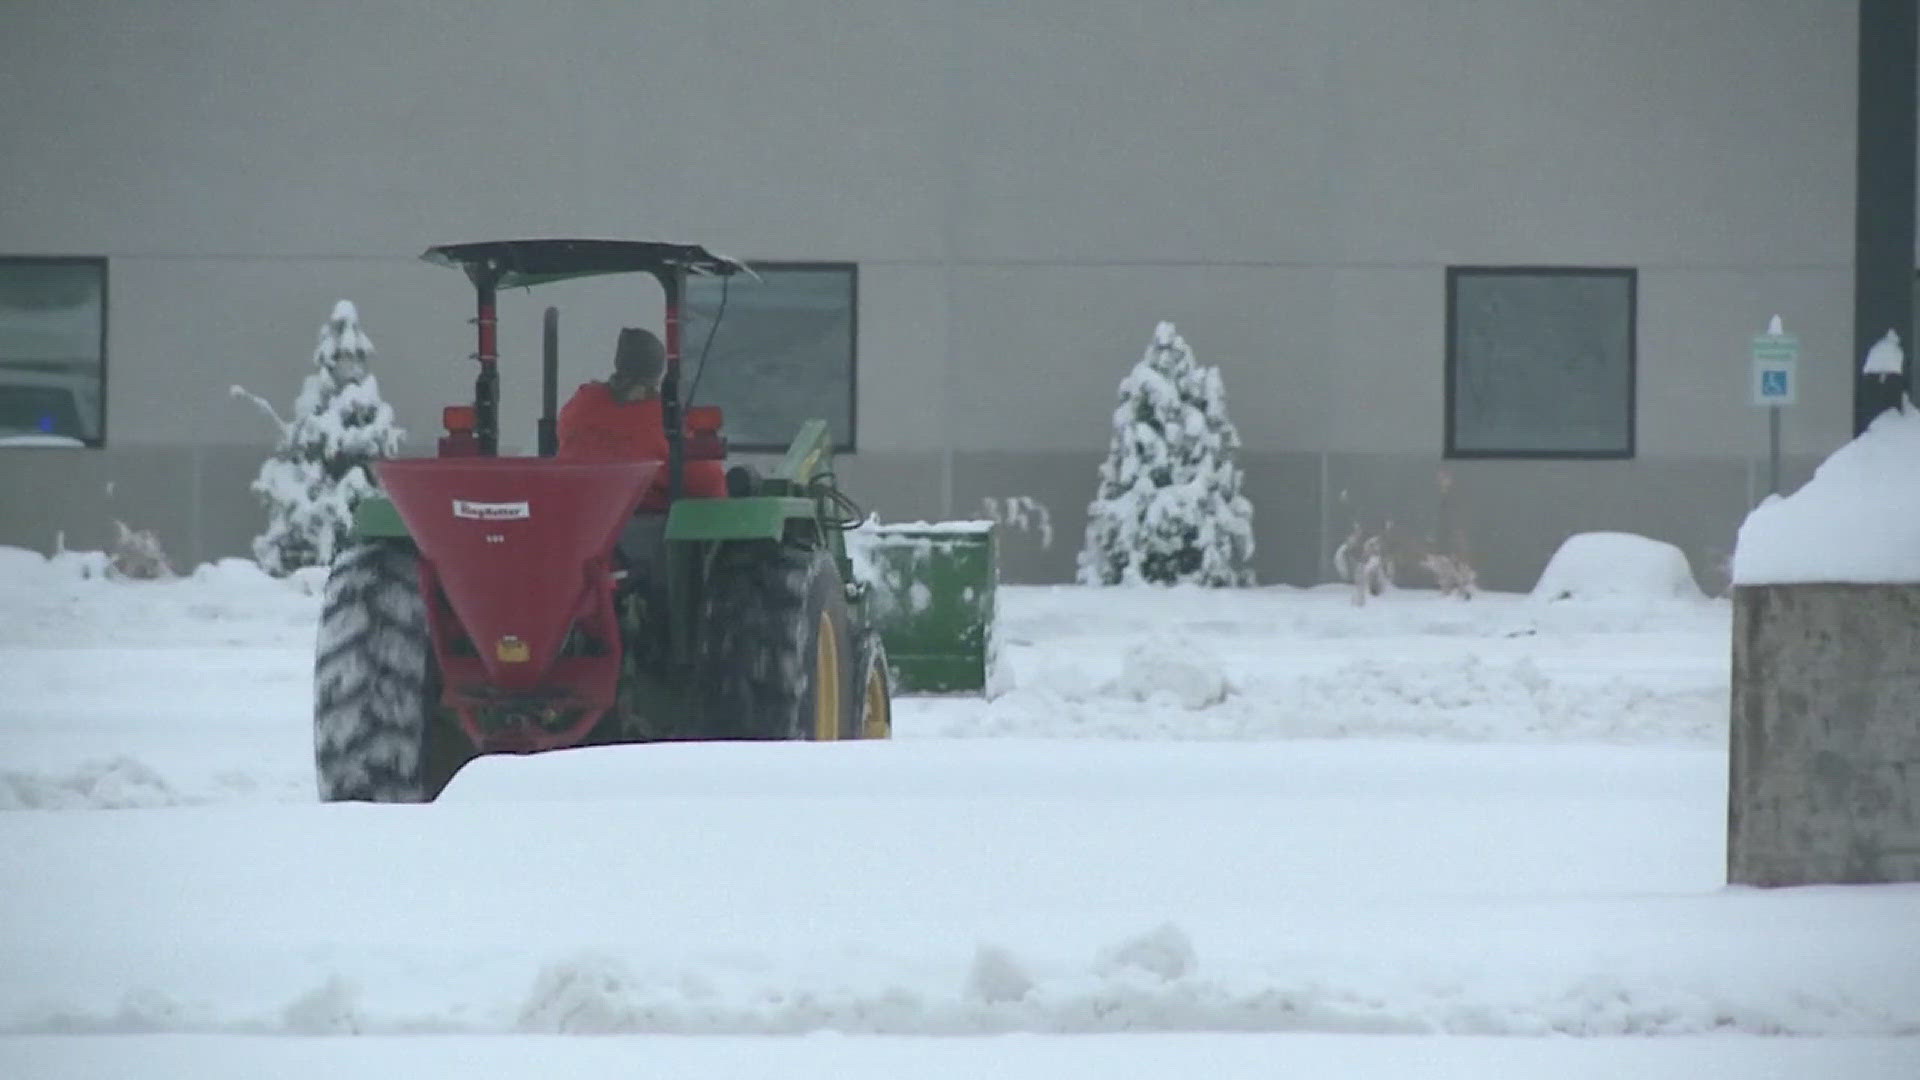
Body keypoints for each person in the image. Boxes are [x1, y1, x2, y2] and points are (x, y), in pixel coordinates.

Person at [557, 327, 670, 460]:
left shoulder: (583, 401)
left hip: (571, 480)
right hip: (636, 481)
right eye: (651, 386)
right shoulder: (660, 417)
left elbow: (562, 433)